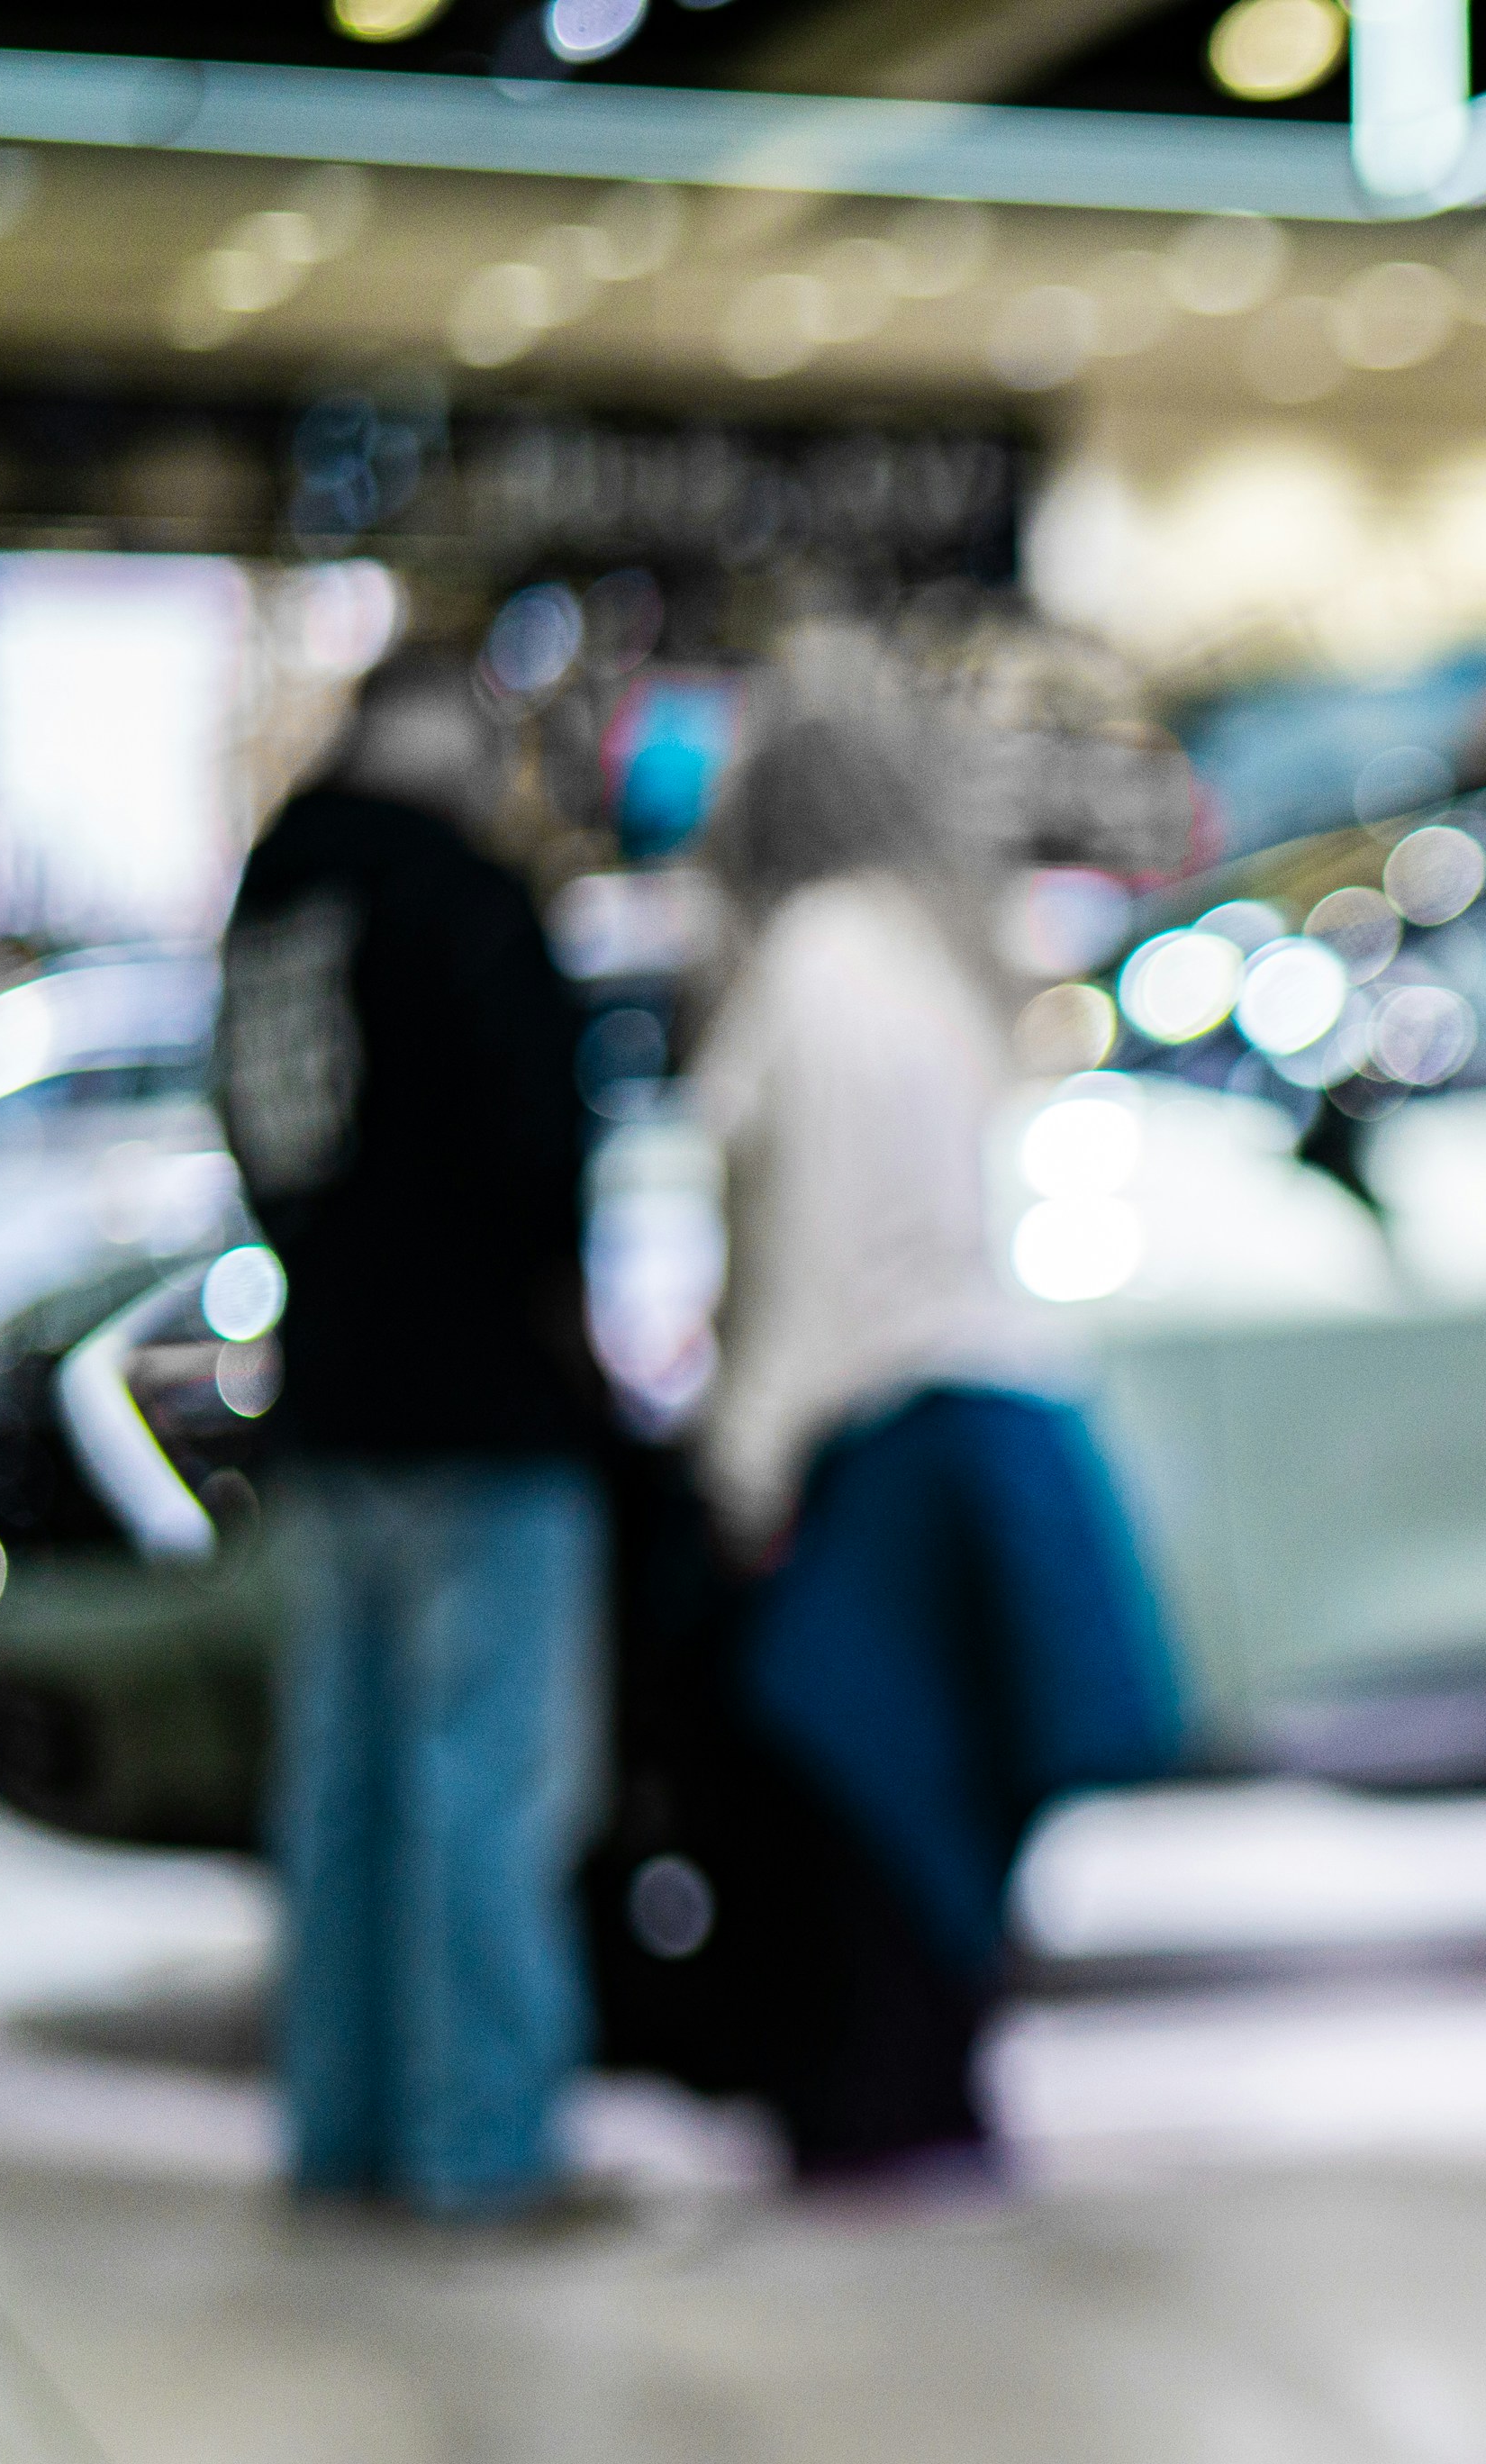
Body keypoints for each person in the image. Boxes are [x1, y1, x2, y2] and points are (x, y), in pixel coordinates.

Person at [691, 707, 1179, 2186]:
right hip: (980, 1417)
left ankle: (870, 2108)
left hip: (875, 1435)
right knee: (939, 1796)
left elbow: (820, 1257)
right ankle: (930, 2092)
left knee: (856, 1784)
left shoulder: (810, 971)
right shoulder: (930, 961)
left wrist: (743, 1461)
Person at [213, 639, 613, 2222]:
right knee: (486, 1799)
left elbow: (253, 1134)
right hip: (484, 1415)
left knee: (346, 1797)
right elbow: (539, 1156)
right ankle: (483, 2153)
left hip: (331, 1400)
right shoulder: (463, 896)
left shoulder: (276, 900)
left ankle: (342, 2132)